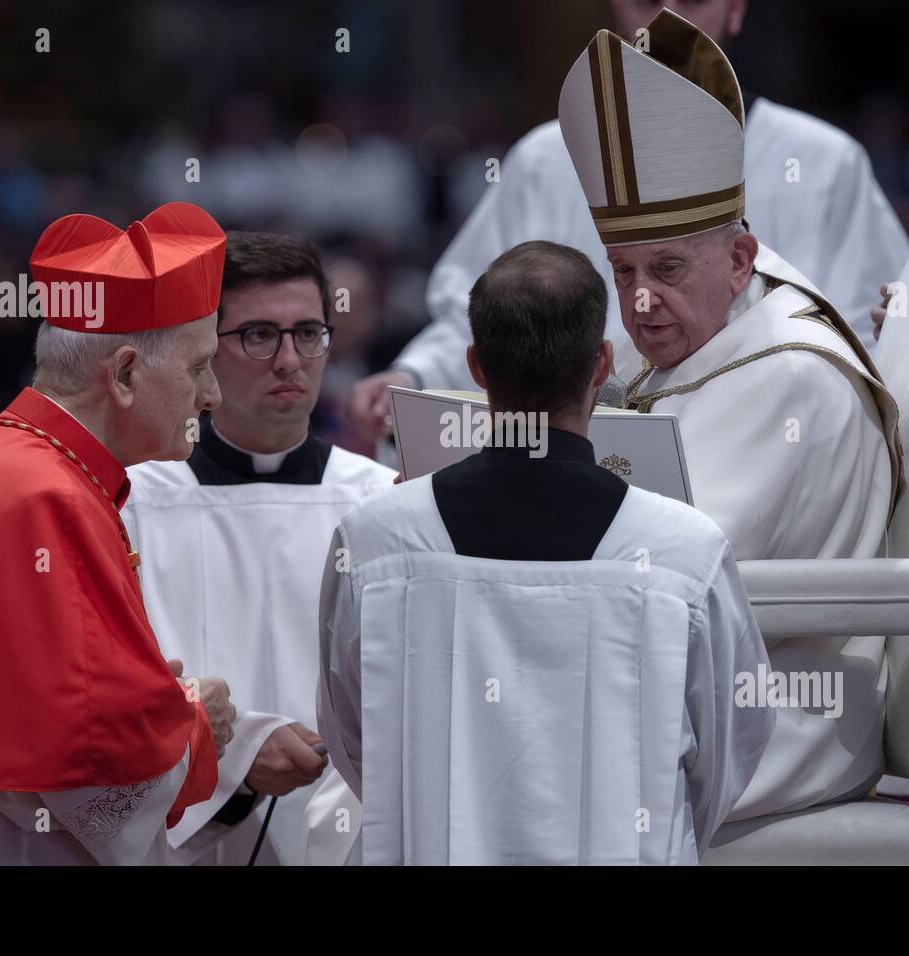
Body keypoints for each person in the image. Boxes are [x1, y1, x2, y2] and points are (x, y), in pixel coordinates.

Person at [317, 240, 773, 865]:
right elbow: (728, 748)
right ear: (601, 364)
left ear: (476, 366)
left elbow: (351, 733)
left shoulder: (376, 539)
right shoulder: (682, 551)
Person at [555, 9, 901, 826]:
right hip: (686, 675)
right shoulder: (695, 341)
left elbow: (675, 574)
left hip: (776, 714)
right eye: (623, 269)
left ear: (741, 258)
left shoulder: (786, 375)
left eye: (667, 267)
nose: (639, 303)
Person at [0, 202, 235, 864]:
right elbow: (82, 752)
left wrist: (145, 695)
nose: (213, 395)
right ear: (126, 374)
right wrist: (194, 726)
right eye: (200, 366)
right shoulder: (42, 497)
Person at [348, 0, 909, 444]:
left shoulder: (821, 161)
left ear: (737, 8)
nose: (668, 18)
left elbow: (864, 340)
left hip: (764, 443)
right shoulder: (547, 159)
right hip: (572, 450)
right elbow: (486, 314)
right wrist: (415, 378)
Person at [124, 233, 394, 865]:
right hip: (183, 831)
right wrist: (238, 761)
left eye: (308, 333)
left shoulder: (382, 504)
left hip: (347, 833)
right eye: (259, 335)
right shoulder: (135, 500)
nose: (289, 360)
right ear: (204, 350)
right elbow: (120, 691)